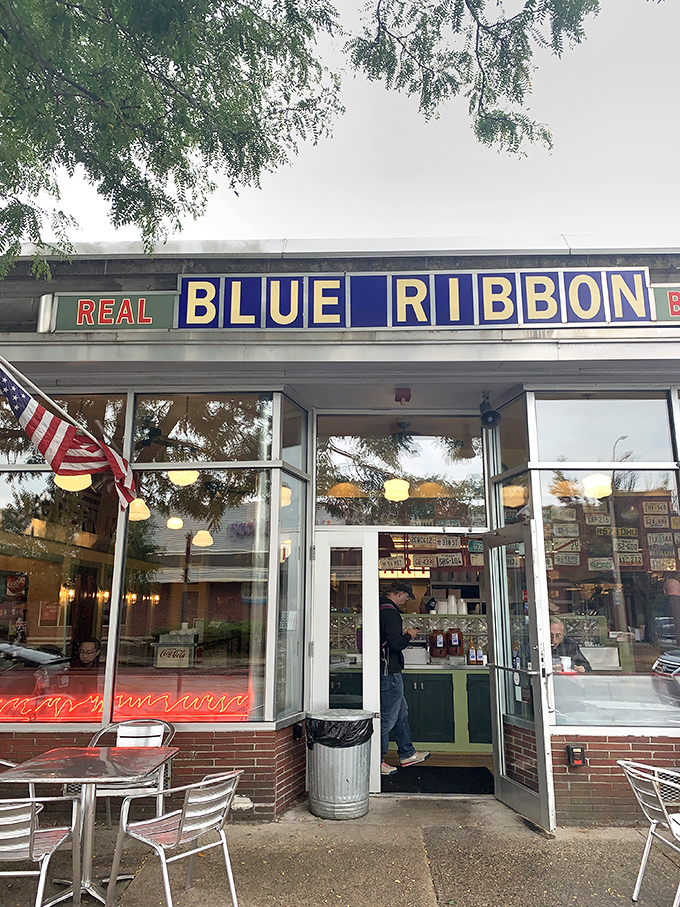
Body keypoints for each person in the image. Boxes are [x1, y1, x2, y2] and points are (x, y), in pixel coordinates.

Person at [380, 579, 430, 776]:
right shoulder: (391, 613)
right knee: (387, 717)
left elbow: (388, 639)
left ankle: (407, 753)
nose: (405, 601)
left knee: (401, 714)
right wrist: (408, 635)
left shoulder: (380, 608)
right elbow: (395, 645)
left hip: (387, 671)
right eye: (406, 597)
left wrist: (401, 634)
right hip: (389, 672)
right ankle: (378, 759)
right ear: (400, 593)